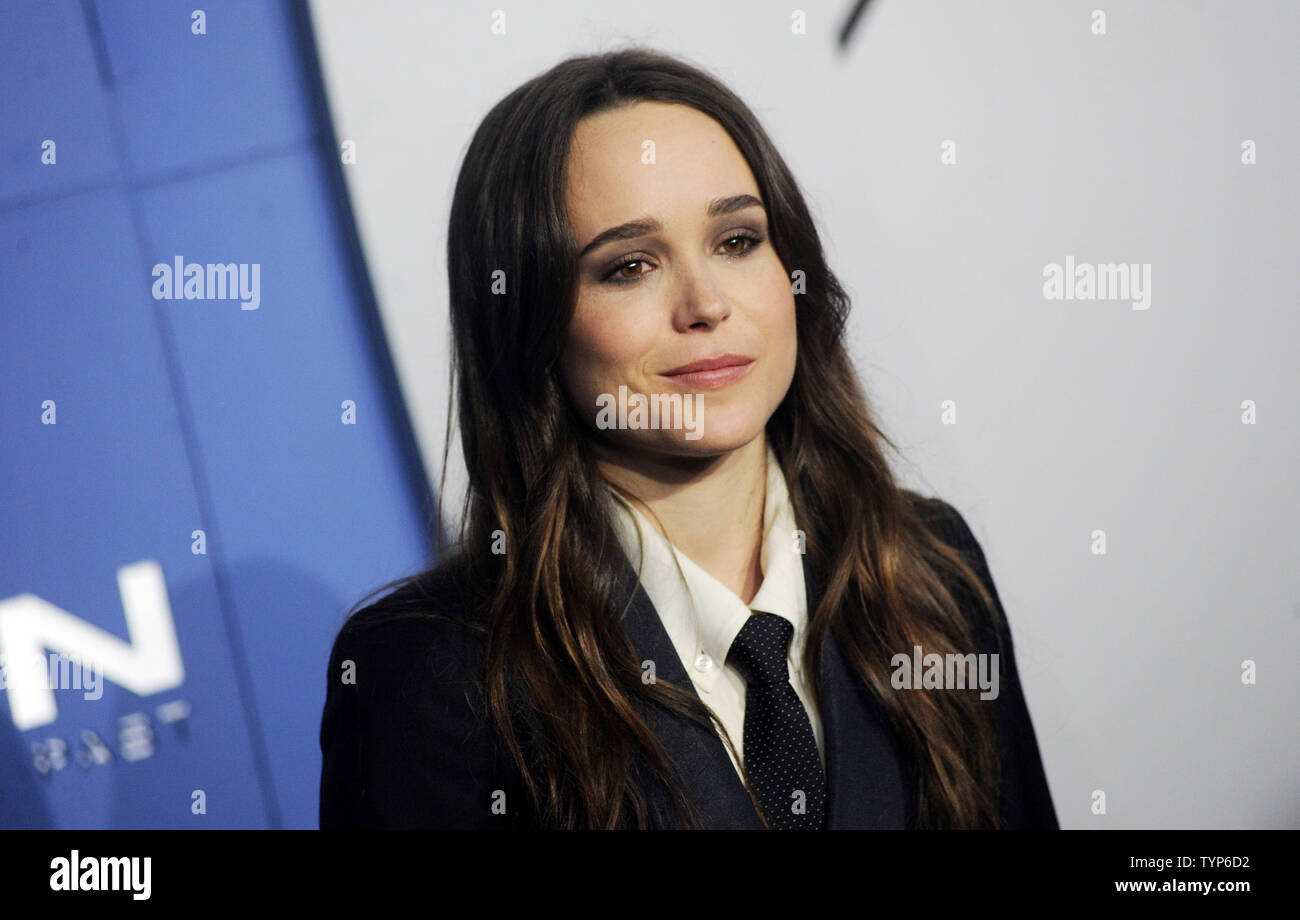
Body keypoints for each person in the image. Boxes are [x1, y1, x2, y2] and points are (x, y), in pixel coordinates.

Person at [319, 46, 1058, 830]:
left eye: (737, 241)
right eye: (630, 266)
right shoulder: (435, 676)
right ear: (531, 325)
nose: (705, 304)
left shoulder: (931, 571)